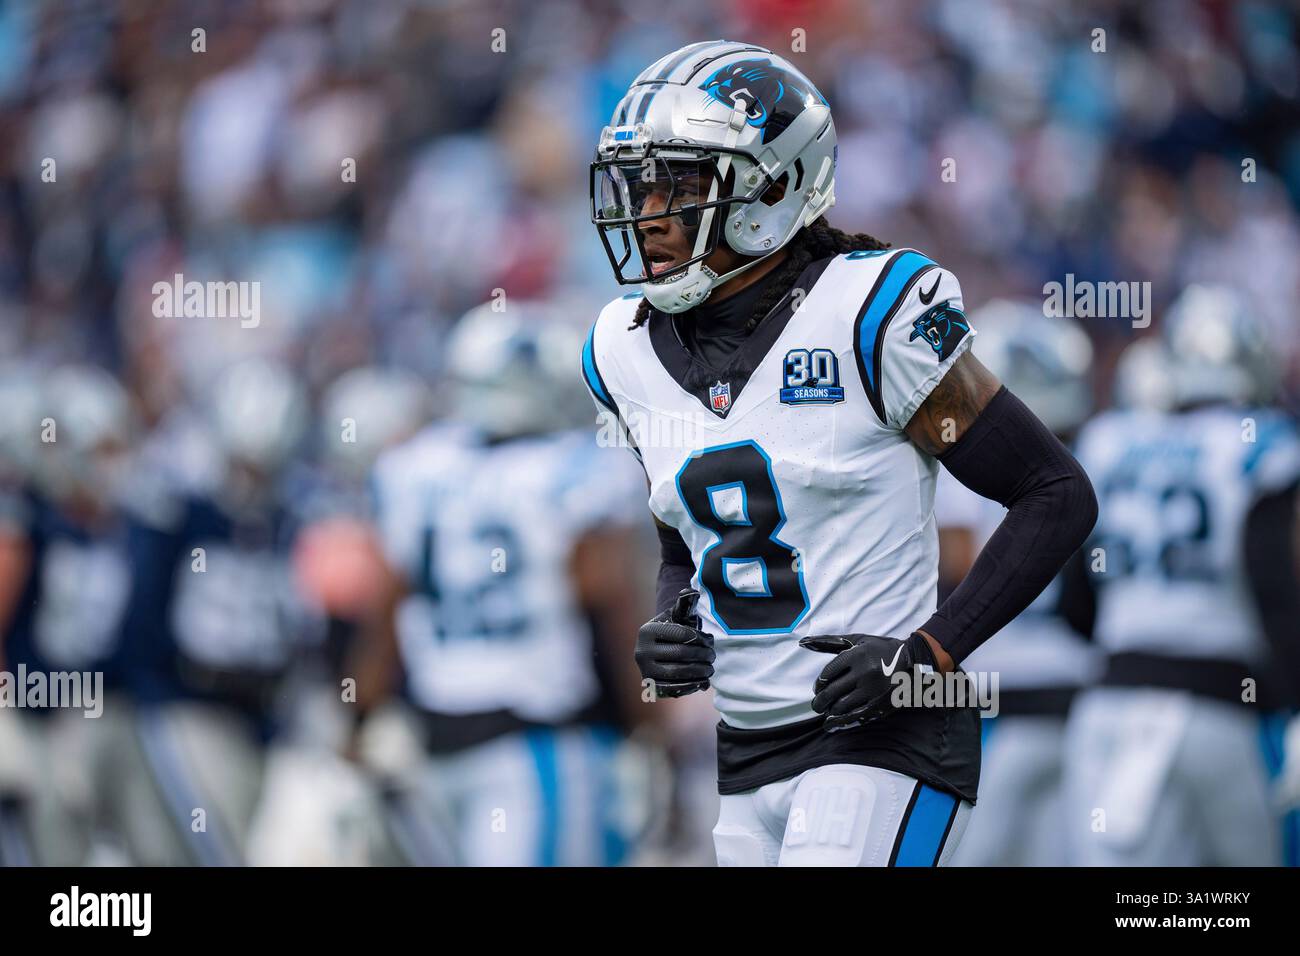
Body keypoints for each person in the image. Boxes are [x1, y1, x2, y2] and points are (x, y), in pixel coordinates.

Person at [582, 40, 1097, 866]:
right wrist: (670, 614)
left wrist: (926, 655)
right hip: (746, 750)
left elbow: (1054, 492)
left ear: (771, 188)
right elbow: (689, 531)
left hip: (885, 740)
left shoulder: (870, 311)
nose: (651, 213)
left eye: (678, 183)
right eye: (642, 185)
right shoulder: (624, 347)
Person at [360, 302, 652, 866]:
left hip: (436, 743)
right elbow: (612, 608)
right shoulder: (576, 472)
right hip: (539, 746)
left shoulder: (414, 469)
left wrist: (358, 715)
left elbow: (386, 607)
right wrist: (650, 732)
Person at [1065, 286, 1300, 866]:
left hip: (1113, 703)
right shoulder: (1262, 444)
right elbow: (1273, 585)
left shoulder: (1111, 440)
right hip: (1222, 707)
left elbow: (1075, 595)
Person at [933, 302, 1100, 866]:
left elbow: (951, 575)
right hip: (1076, 698)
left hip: (989, 704)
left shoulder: (955, 470)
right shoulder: (1081, 464)